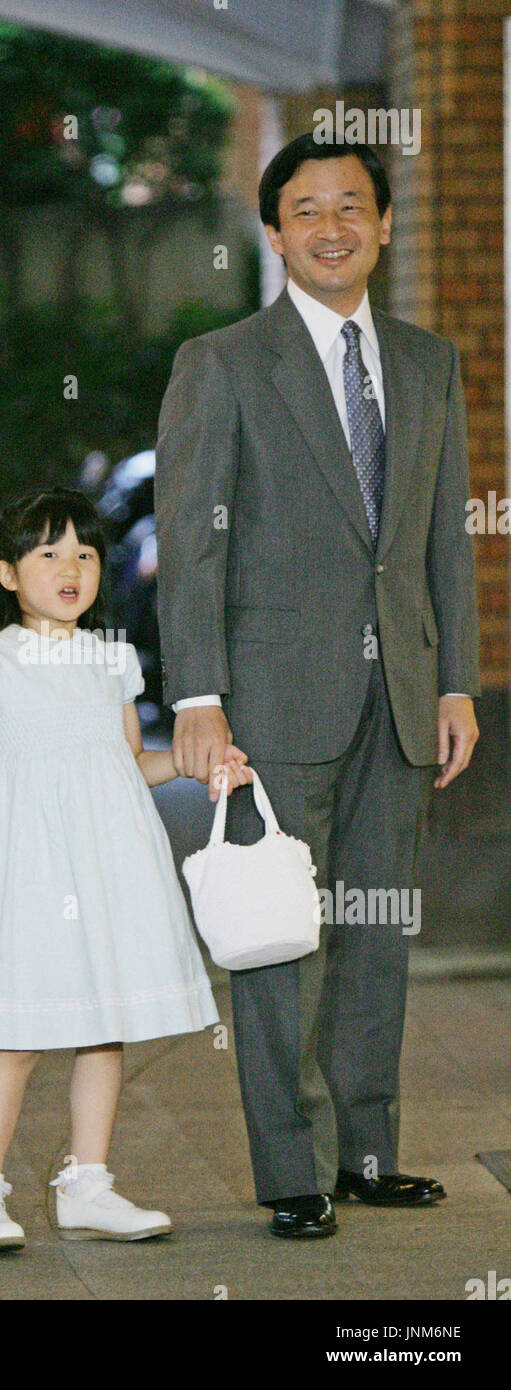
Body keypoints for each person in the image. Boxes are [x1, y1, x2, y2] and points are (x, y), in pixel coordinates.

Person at [154, 133, 480, 1240]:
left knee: (376, 935)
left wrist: (459, 682)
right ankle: (293, 1171)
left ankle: (369, 1153)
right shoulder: (226, 361)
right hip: (273, 697)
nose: (331, 226)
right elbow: (190, 542)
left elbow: (444, 544)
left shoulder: (431, 363)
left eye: (351, 205)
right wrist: (197, 695)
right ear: (275, 230)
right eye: (306, 209)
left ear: (384, 224)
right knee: (279, 935)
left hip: (401, 698)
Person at [0, 487, 250, 1251]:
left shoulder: (112, 659)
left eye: (86, 555)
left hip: (111, 856)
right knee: (18, 1031)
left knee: (105, 1028)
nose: (71, 569)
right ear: (6, 573)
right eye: (48, 553)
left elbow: (129, 763)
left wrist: (200, 767)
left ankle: (87, 1185)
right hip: (28, 864)